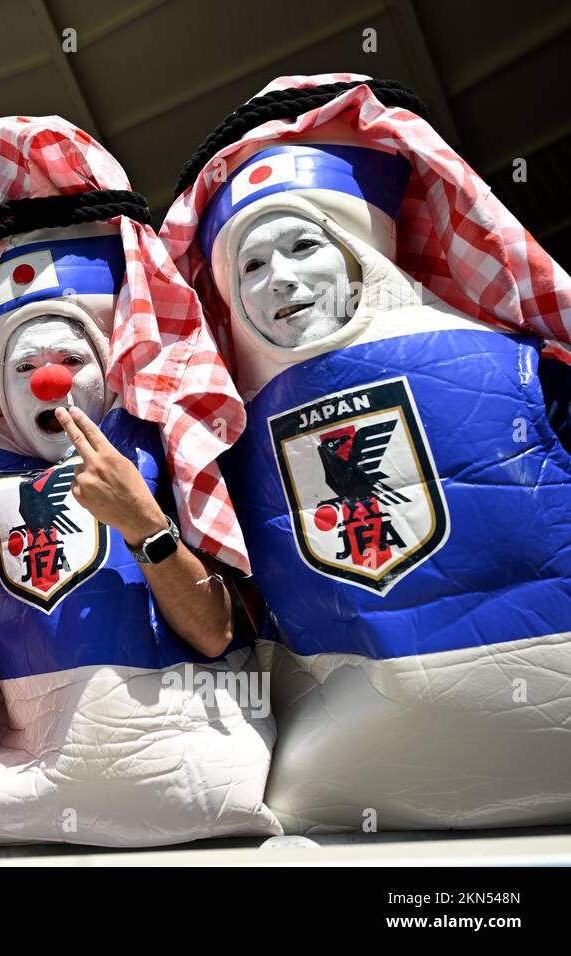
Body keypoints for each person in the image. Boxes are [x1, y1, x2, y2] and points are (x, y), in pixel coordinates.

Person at [162, 74, 571, 831]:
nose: (278, 278)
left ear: (356, 245)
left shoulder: (527, 367)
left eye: (302, 245)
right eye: (249, 264)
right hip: (350, 806)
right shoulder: (221, 455)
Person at [0, 115, 279, 847]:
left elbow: (219, 631)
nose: (50, 381)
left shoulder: (170, 442)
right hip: (20, 806)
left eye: (71, 360)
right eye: (25, 365)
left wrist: (145, 526)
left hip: (200, 766)